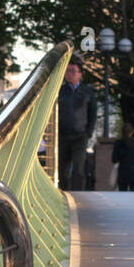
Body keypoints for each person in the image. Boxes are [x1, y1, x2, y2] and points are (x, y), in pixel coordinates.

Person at [57, 58, 98, 191]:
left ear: (80, 74)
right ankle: (64, 193)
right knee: (62, 168)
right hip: (62, 135)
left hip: (80, 135)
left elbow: (93, 114)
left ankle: (78, 193)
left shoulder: (87, 92)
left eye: (73, 71)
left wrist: (88, 133)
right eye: (67, 71)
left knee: (78, 167)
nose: (69, 74)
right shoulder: (60, 91)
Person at [111, 123, 134, 191]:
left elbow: (114, 160)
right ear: (132, 132)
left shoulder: (118, 143)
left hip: (122, 173)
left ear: (122, 131)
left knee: (123, 194)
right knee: (133, 194)